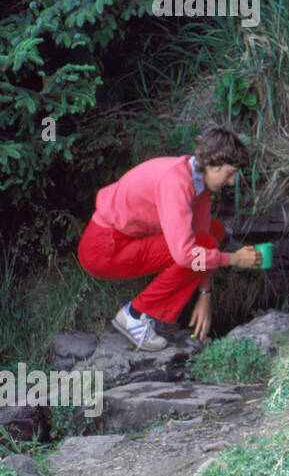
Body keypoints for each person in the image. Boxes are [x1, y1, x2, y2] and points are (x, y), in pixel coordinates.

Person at [77, 126, 262, 351]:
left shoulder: (199, 183)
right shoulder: (176, 183)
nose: (232, 181)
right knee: (195, 250)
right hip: (103, 249)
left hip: (124, 240)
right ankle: (135, 315)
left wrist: (205, 294)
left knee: (214, 233)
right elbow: (186, 256)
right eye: (230, 173)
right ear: (213, 162)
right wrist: (234, 259)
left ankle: (157, 316)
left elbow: (203, 237)